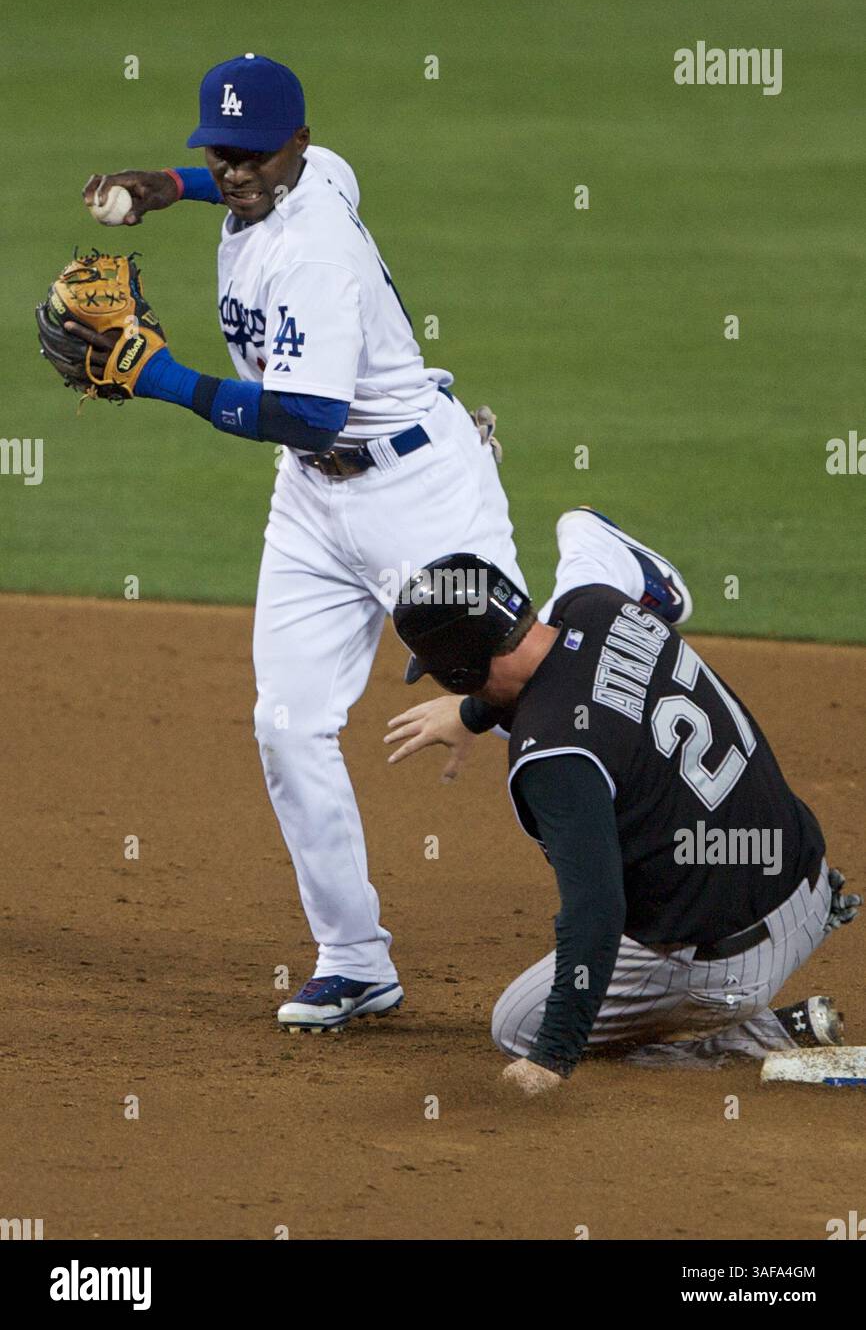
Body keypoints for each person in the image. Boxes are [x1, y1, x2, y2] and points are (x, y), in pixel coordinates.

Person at [73, 53, 525, 1032]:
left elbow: (312, 413)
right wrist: (166, 187)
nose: (233, 173)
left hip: (418, 493)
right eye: (217, 154)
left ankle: (675, 915)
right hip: (313, 507)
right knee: (287, 722)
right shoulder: (316, 170)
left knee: (515, 692)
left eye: (250, 157)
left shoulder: (311, 249)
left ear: (297, 148)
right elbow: (231, 182)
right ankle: (355, 960)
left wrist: (160, 378)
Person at [386, 508, 861, 1094]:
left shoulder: (553, 759)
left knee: (517, 1024)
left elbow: (597, 911)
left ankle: (762, 1039)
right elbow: (570, 675)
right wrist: (473, 712)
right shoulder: (600, 607)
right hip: (807, 881)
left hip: (733, 966)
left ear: (459, 669)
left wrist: (551, 1058)